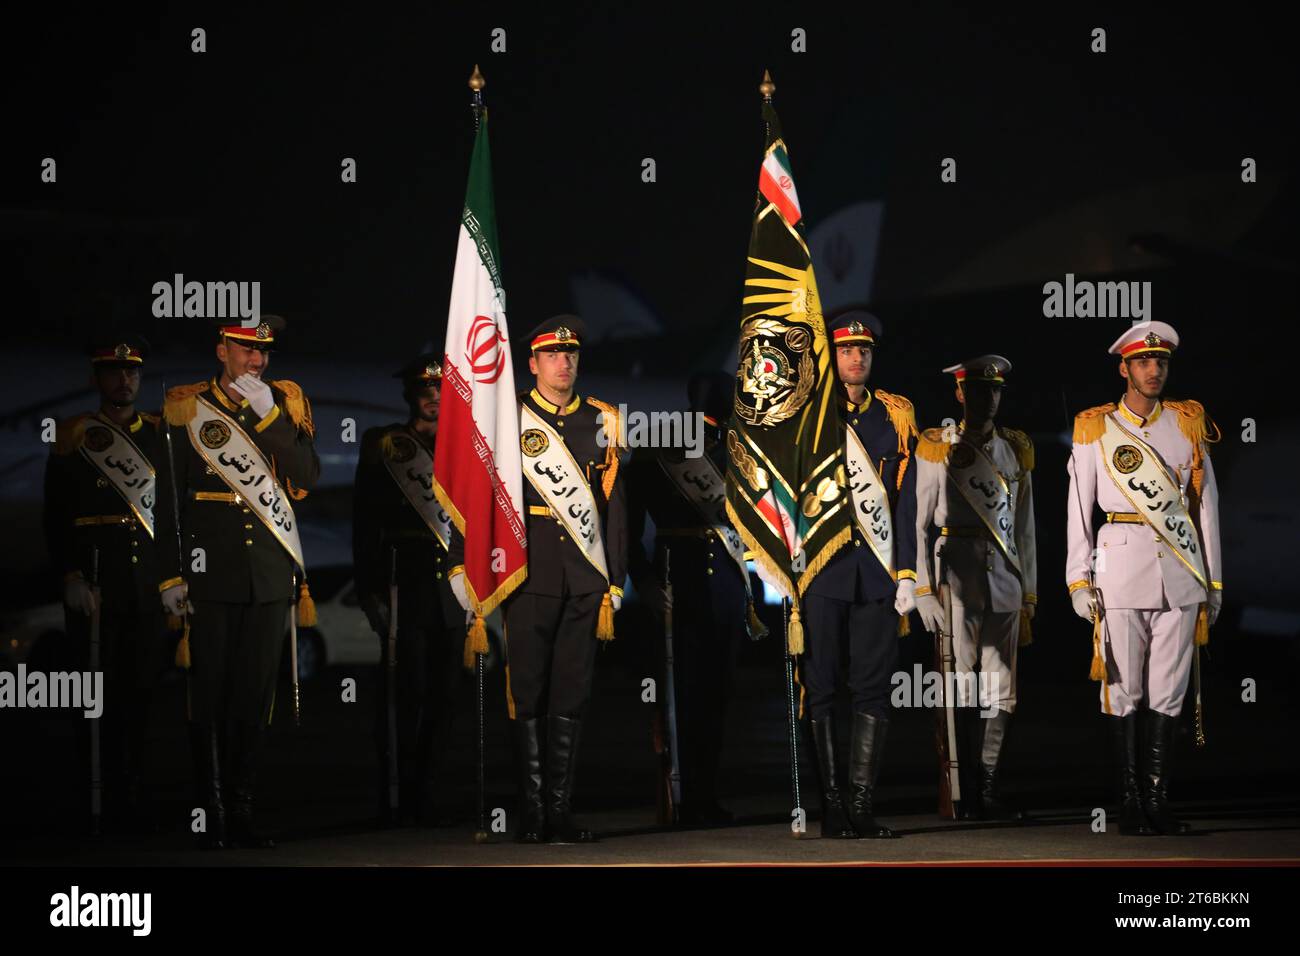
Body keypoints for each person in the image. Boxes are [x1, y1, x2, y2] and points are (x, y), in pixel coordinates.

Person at [449, 314, 627, 844]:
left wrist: (614, 578)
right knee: (528, 692)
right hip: (525, 575)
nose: (563, 363)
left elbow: (616, 506)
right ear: (531, 364)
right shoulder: (508, 420)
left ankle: (559, 811)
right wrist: (464, 561)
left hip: (586, 579)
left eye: (570, 355)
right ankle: (530, 814)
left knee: (572, 693)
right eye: (552, 355)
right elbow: (478, 498)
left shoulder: (604, 421)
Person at [156, 315, 320, 849]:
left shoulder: (282, 404)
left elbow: (307, 475)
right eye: (246, 350)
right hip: (210, 571)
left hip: (269, 575)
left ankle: (243, 808)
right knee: (209, 694)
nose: (257, 361)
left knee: (254, 696)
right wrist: (170, 574)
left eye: (263, 353)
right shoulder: (186, 407)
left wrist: (270, 417)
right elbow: (167, 502)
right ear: (221, 349)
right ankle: (209, 809)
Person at [1065, 321, 1221, 836]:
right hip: (1120, 568)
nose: (1155, 371)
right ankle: (1129, 800)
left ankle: (1158, 799)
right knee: (1124, 688)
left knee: (1169, 692)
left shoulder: (1187, 424)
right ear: (1124, 368)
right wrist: (1079, 579)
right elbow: (1078, 510)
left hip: (1180, 574)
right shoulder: (1096, 429)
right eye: (1144, 363)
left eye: (1162, 363)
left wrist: (1212, 583)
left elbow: (1206, 511)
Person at [627, 370, 765, 826]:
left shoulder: (742, 450)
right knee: (675, 693)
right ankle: (675, 790)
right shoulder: (657, 449)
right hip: (676, 581)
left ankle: (704, 793)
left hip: (725, 583)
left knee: (716, 694)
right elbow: (627, 531)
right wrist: (643, 580)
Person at [42, 333, 167, 832]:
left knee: (139, 697)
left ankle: (130, 794)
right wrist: (69, 574)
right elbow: (56, 516)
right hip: (94, 583)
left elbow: (172, 518)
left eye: (132, 372)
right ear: (97, 380)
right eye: (114, 373)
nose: (125, 380)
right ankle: (89, 796)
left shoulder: (158, 436)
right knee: (92, 697)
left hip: (144, 585)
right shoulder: (74, 436)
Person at [800, 310, 917, 839]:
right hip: (823, 569)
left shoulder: (894, 416)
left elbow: (906, 502)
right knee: (821, 685)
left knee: (872, 687)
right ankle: (831, 808)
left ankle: (863, 806)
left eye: (864, 350)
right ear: (833, 357)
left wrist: (909, 572)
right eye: (847, 350)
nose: (856, 358)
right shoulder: (808, 414)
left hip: (876, 570)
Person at [914, 355, 1037, 821]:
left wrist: (1029, 592)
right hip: (955, 574)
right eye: (979, 390)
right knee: (960, 681)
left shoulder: (1014, 449)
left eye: (996, 390)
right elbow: (921, 524)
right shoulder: (937, 447)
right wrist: (923, 588)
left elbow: (1024, 529)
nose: (989, 398)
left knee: (1001, 684)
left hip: (1003, 575)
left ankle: (988, 786)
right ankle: (960, 786)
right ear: (960, 394)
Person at [351, 354, 466, 826]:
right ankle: (393, 793)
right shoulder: (384, 445)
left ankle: (427, 793)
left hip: (453, 591)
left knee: (444, 699)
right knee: (404, 695)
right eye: (425, 391)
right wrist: (369, 590)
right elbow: (364, 523)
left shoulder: (467, 450)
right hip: (404, 585)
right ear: (410, 396)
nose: (434, 399)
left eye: (440, 391)